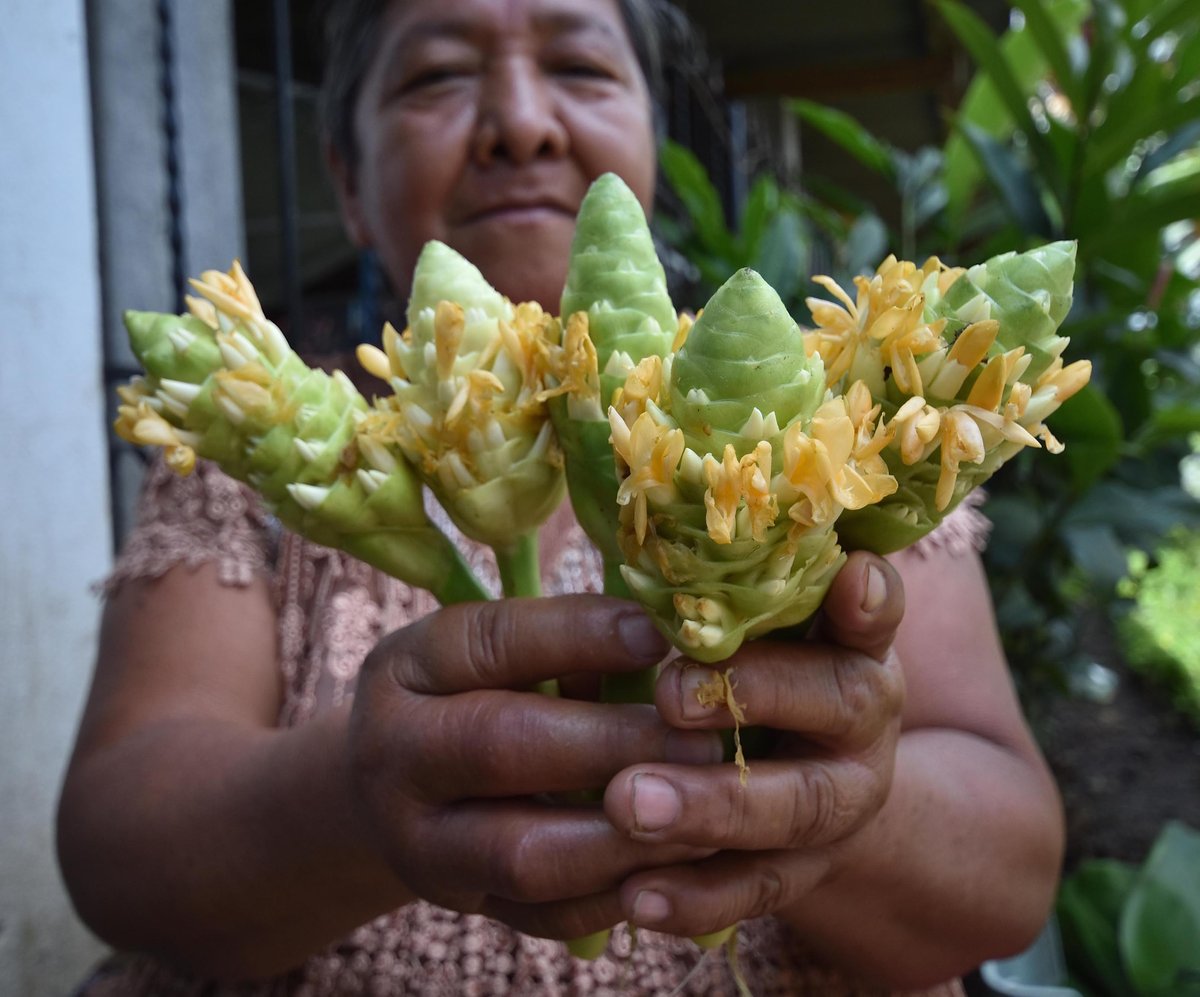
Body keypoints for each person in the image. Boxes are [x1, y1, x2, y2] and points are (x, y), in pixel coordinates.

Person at [57, 0, 1066, 994]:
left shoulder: (835, 448)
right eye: (438, 75)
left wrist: (830, 805)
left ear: (654, 150)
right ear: (347, 182)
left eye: (581, 68)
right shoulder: (247, 489)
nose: (523, 123)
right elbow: (117, 858)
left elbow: (1009, 883)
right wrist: (350, 805)